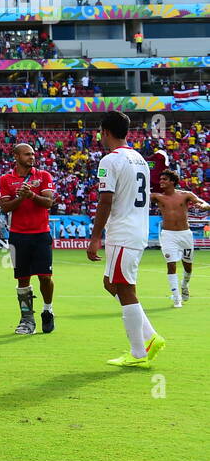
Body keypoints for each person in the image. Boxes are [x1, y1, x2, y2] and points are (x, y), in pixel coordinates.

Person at [88, 111, 165, 369]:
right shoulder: (139, 158)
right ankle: (149, 336)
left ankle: (138, 351)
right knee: (111, 284)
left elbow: (105, 200)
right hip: (136, 229)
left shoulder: (110, 160)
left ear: (105, 132)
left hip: (123, 232)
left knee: (123, 287)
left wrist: (95, 237)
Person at [0, 144, 56, 334]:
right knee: (22, 280)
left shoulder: (43, 176)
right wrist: (21, 198)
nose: (32, 157)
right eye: (27, 154)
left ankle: (47, 310)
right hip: (18, 236)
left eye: (33, 154)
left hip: (41, 234)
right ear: (16, 156)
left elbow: (48, 203)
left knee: (45, 277)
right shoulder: (6, 179)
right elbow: (6, 208)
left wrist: (31, 195)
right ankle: (27, 320)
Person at [153, 169, 208, 307]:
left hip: (185, 235)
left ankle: (184, 285)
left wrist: (202, 205)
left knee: (188, 266)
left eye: (164, 179)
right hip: (168, 235)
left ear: (172, 182)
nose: (161, 182)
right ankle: (177, 298)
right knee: (171, 264)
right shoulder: (157, 196)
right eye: (160, 179)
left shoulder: (186, 195)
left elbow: (205, 203)